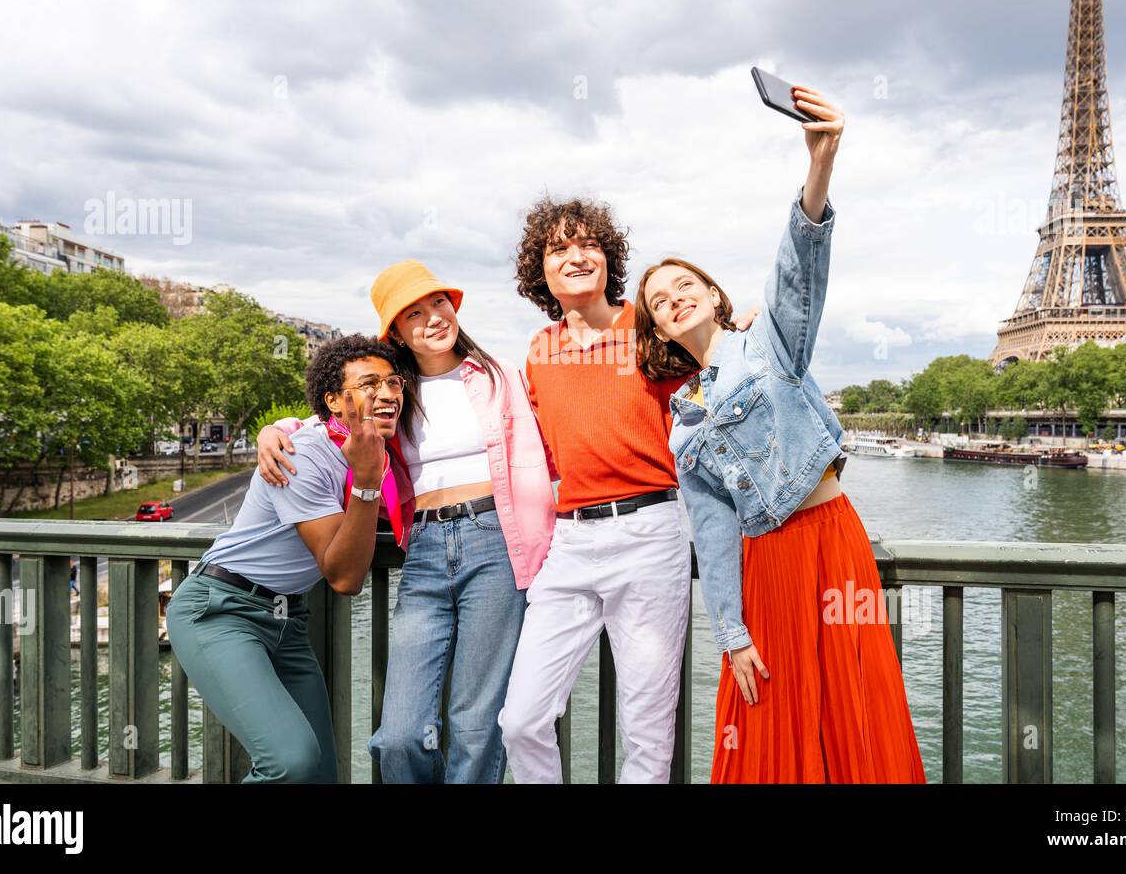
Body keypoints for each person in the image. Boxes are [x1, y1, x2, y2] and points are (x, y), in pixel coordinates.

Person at [634, 83, 926, 783]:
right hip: (767, 566)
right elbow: (711, 533)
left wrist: (820, 162)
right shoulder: (683, 426)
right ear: (661, 329)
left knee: (852, 701)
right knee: (769, 708)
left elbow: (800, 263)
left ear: (711, 294)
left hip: (831, 541)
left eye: (682, 285)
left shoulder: (769, 342)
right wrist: (731, 633)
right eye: (657, 301)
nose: (673, 297)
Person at [497, 190, 761, 784]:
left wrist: (737, 327)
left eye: (589, 243)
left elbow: (717, 372)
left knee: (645, 727)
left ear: (608, 257)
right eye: (559, 247)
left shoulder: (647, 327)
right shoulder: (540, 350)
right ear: (540, 270)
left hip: (649, 535)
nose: (576, 256)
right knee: (520, 719)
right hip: (568, 545)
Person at [257, 261, 556, 783]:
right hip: (423, 547)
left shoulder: (501, 376)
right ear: (395, 331)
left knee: (475, 722)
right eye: (413, 313)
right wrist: (274, 428)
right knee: (398, 735)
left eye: (437, 303)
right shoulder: (396, 390)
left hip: (497, 544)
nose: (432, 318)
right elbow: (327, 419)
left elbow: (558, 437)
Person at [166, 334, 413, 783]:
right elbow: (343, 577)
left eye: (394, 382)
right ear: (334, 401)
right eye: (369, 383)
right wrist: (366, 479)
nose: (388, 393)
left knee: (319, 774)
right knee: (289, 761)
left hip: (287, 620)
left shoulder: (380, 447)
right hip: (221, 610)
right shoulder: (303, 454)